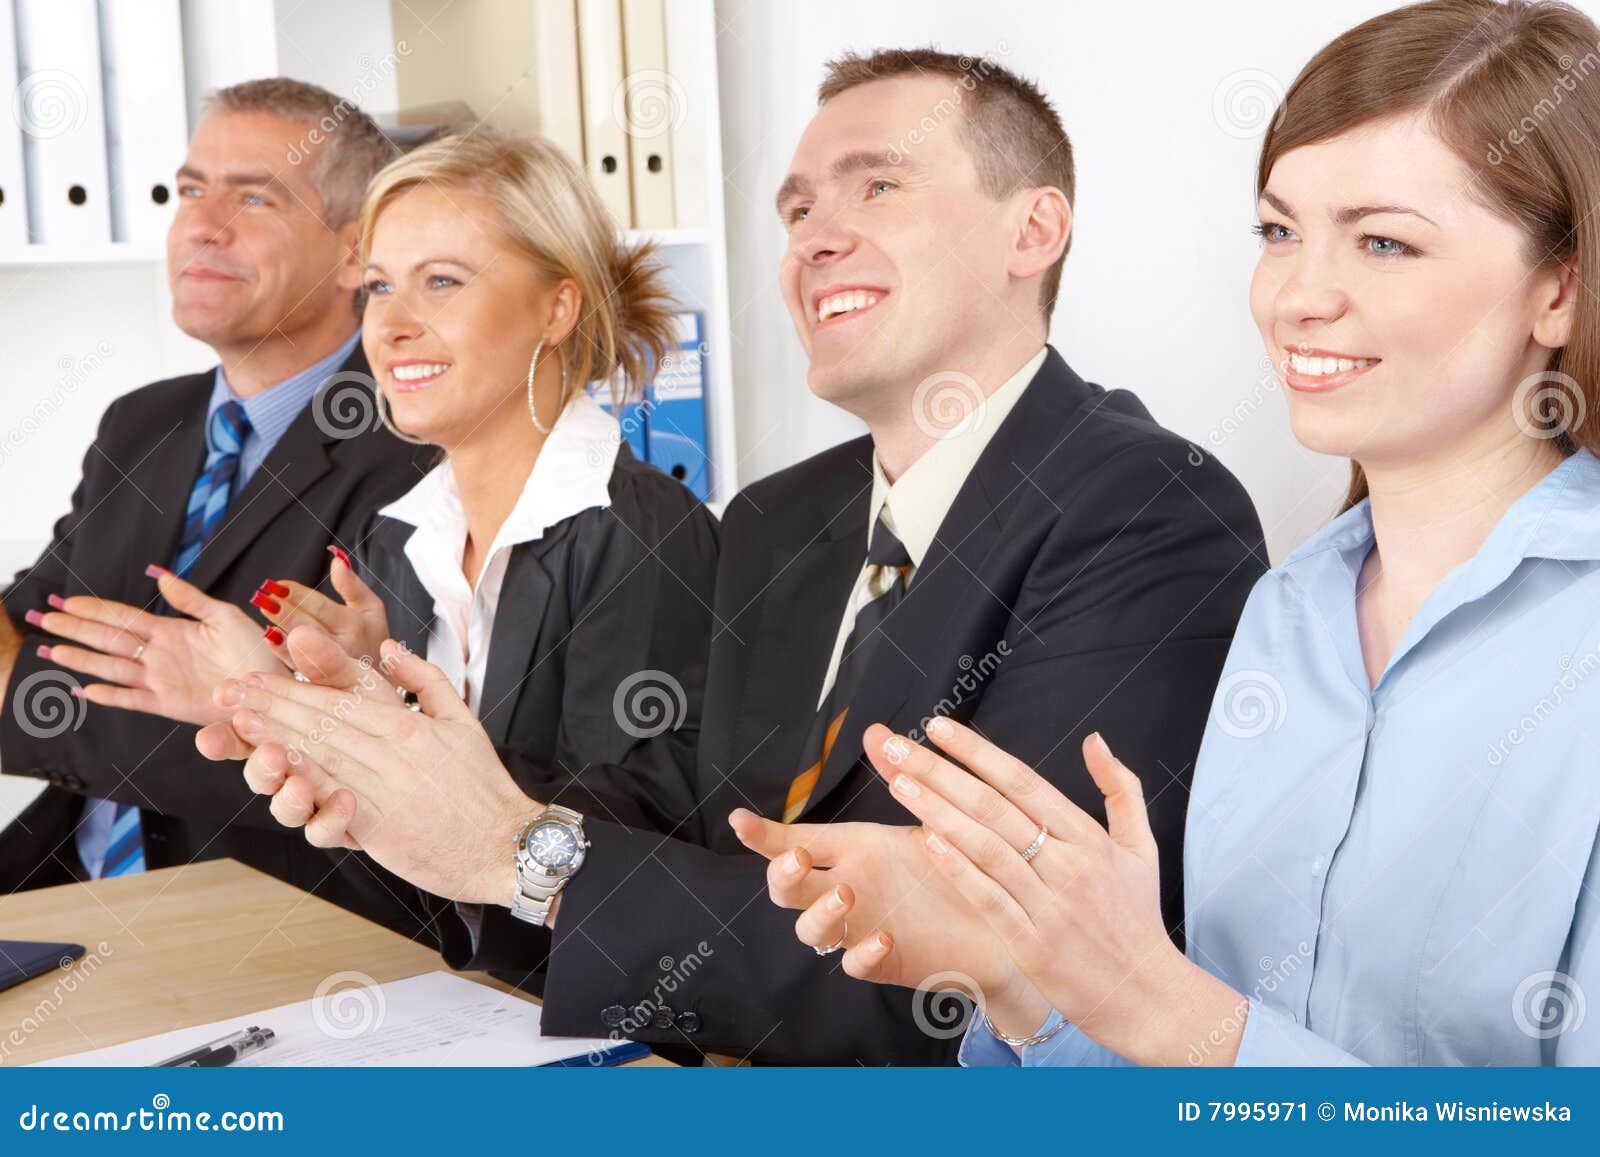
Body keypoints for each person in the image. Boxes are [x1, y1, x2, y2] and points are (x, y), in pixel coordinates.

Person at [209, 48, 1267, 1065]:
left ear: (1031, 229)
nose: (816, 237)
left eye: (878, 187)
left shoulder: (1147, 513)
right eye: (798, 208)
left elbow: (978, 976)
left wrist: (517, 849)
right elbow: (677, 822)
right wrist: (403, 767)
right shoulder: (780, 519)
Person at [747, 0, 1600, 1067]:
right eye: (1280, 232)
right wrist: (1024, 978)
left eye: (1384, 241)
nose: (1299, 294)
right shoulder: (1287, 616)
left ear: (1558, 289)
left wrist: (1148, 996)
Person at [0, 79, 437, 938]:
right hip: (63, 887)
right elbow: (38, 625)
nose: (202, 224)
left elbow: (329, 763)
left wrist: (21, 690)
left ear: (357, 255)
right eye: (190, 189)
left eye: (253, 197)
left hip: (275, 931)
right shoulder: (142, 422)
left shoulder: (412, 446)